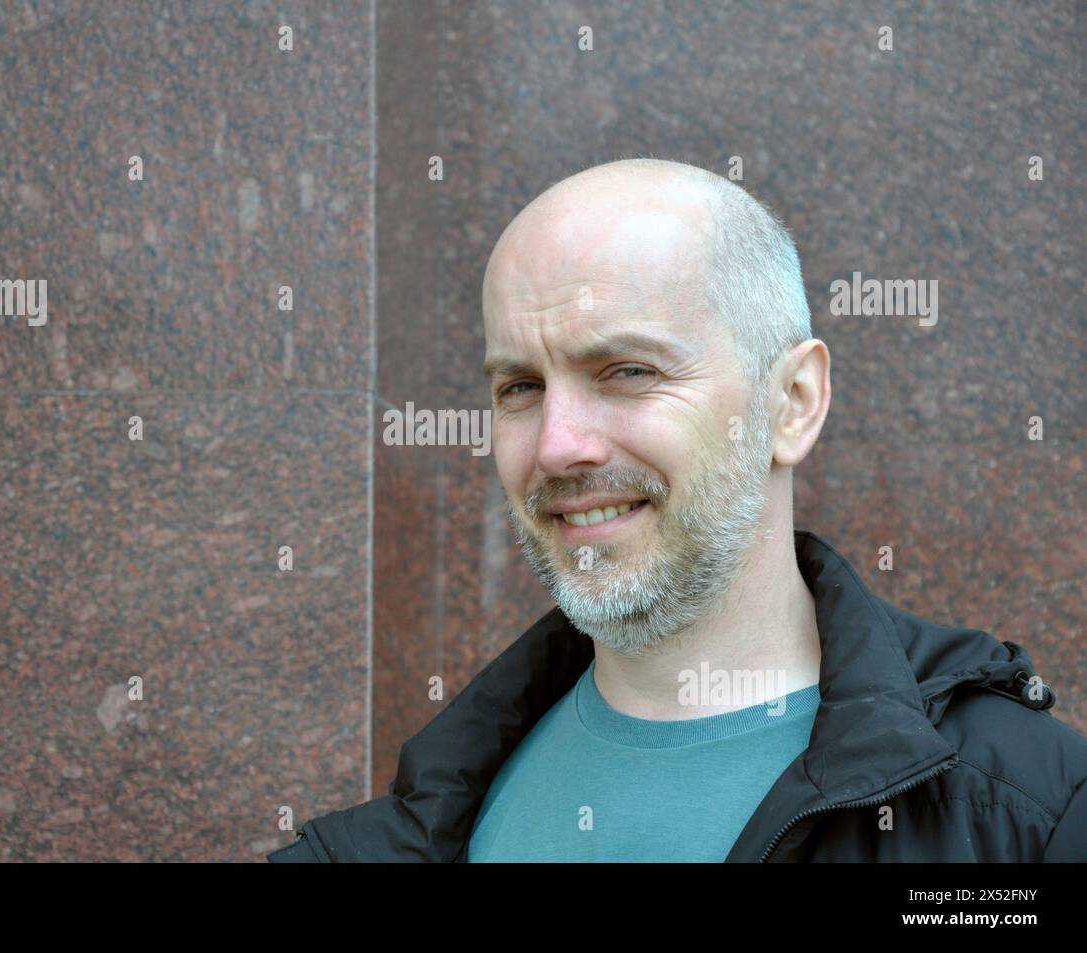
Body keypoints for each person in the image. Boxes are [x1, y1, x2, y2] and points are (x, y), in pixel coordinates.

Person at [267, 158, 1087, 862]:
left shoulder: (1023, 817)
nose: (557, 445)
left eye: (627, 370)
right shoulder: (417, 825)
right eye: (520, 387)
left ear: (792, 403)